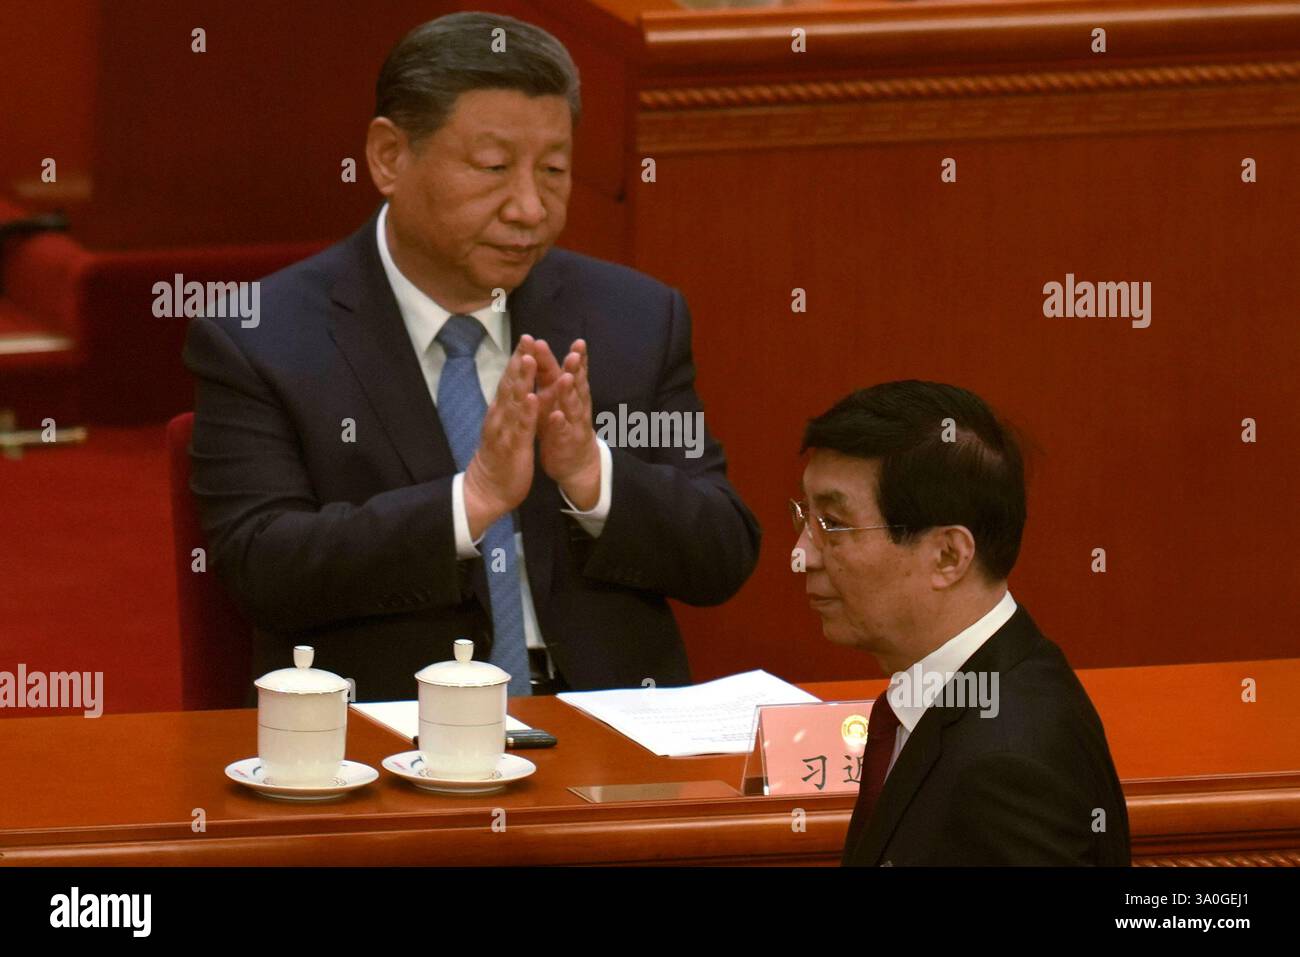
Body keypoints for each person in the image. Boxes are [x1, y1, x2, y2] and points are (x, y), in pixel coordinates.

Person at [182, 12, 760, 701]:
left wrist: (590, 474)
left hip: (608, 734)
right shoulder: (263, 336)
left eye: (553, 171)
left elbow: (723, 552)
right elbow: (263, 566)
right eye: (492, 168)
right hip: (388, 738)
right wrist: (472, 499)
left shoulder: (632, 317)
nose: (528, 207)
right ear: (389, 157)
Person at [793, 380, 1129, 865]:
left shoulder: (1006, 770)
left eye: (834, 525)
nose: (801, 554)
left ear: (949, 555)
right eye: (805, 516)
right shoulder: (963, 687)